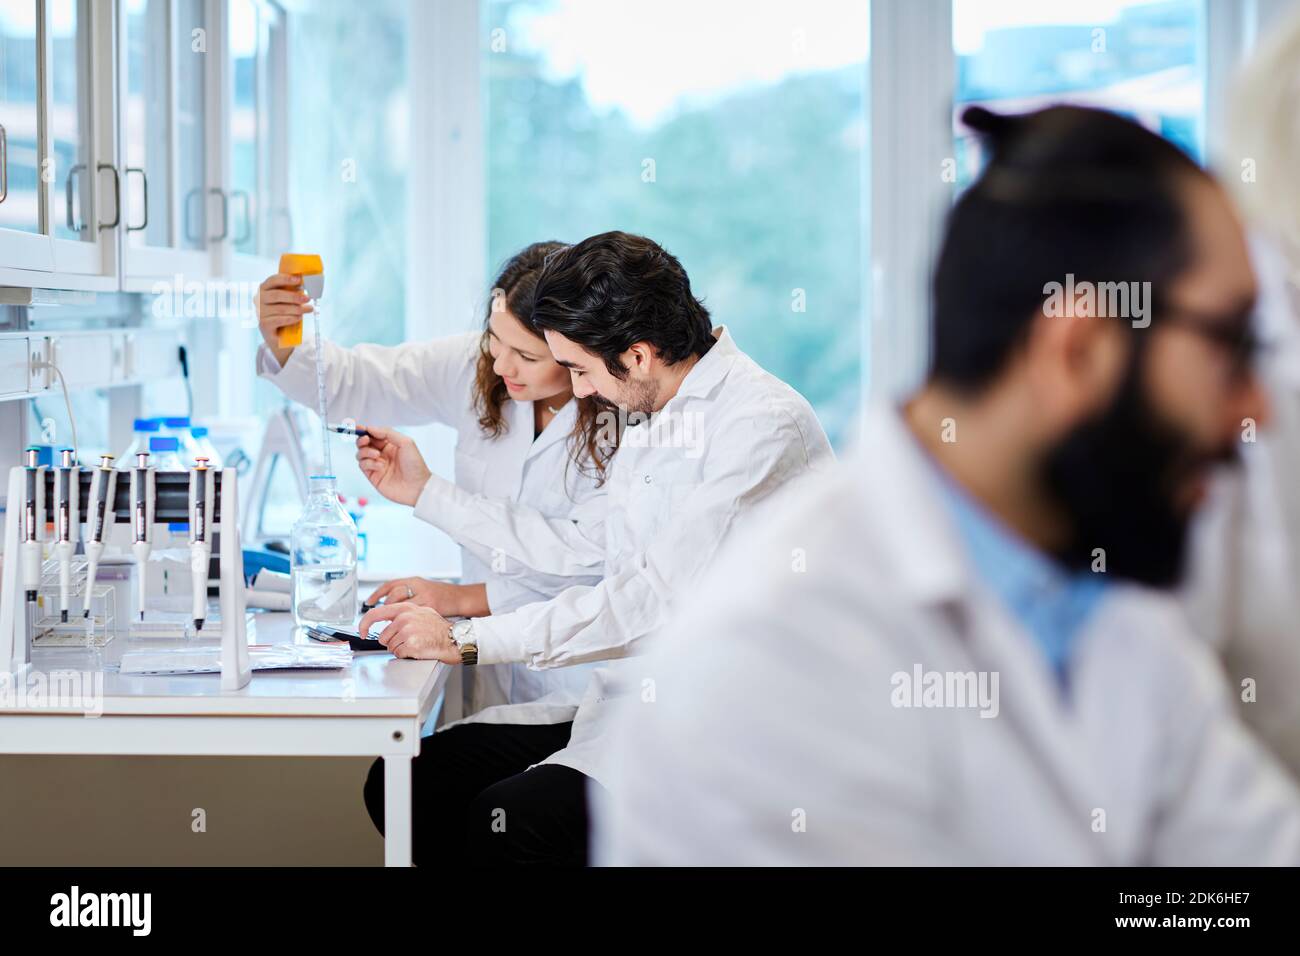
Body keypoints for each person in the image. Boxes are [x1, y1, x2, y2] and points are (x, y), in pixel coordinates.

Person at [596, 106, 1300, 865]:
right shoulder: (772, 667)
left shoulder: (1107, 585)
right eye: (1234, 346)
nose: (1256, 409)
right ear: (1079, 350)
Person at [355, 231, 834, 866]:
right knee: (412, 785)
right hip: (636, 700)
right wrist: (463, 607)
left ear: (636, 355)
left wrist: (469, 637)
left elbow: (653, 601)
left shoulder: (759, 427)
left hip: (731, 724)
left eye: (579, 370)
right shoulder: (657, 412)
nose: (578, 392)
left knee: (513, 825)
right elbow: (597, 557)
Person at [255, 241, 608, 725]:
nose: (502, 366)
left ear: (576, 352)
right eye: (494, 339)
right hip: (490, 670)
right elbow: (357, 381)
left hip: (582, 685)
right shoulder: (479, 366)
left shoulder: (626, 419)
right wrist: (282, 338)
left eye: (526, 355)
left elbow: (589, 565)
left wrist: (430, 495)